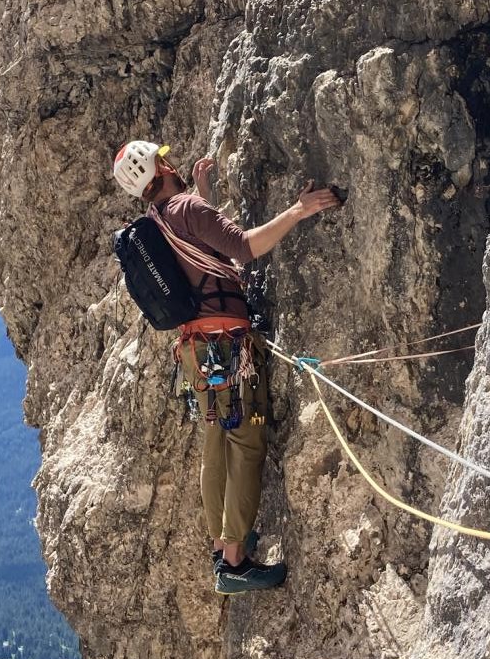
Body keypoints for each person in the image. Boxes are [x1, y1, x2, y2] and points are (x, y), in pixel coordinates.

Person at [112, 140, 339, 595]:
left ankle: (221, 544)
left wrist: (204, 194)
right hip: (230, 345)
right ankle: (235, 560)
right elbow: (244, 248)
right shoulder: (187, 209)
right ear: (162, 165)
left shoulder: (159, 220)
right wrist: (299, 210)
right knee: (247, 445)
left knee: (214, 443)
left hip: (197, 350)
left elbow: (201, 260)